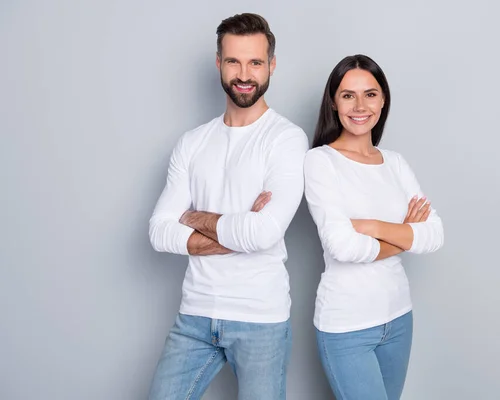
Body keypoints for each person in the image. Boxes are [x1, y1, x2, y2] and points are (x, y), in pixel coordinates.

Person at [148, 13, 308, 400]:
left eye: (255, 62)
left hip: (261, 318)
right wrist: (241, 229)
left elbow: (265, 232)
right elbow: (159, 232)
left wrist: (195, 219)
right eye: (234, 61)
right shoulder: (192, 142)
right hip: (195, 315)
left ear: (271, 65)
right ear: (219, 63)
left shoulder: (286, 139)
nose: (244, 73)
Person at [304, 54, 444, 400]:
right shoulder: (320, 161)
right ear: (334, 103)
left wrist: (369, 225)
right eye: (348, 95)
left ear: (383, 100)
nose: (359, 105)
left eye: (370, 93)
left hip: (398, 318)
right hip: (347, 324)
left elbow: (435, 234)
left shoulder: (395, 163)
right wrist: (404, 234)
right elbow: (342, 247)